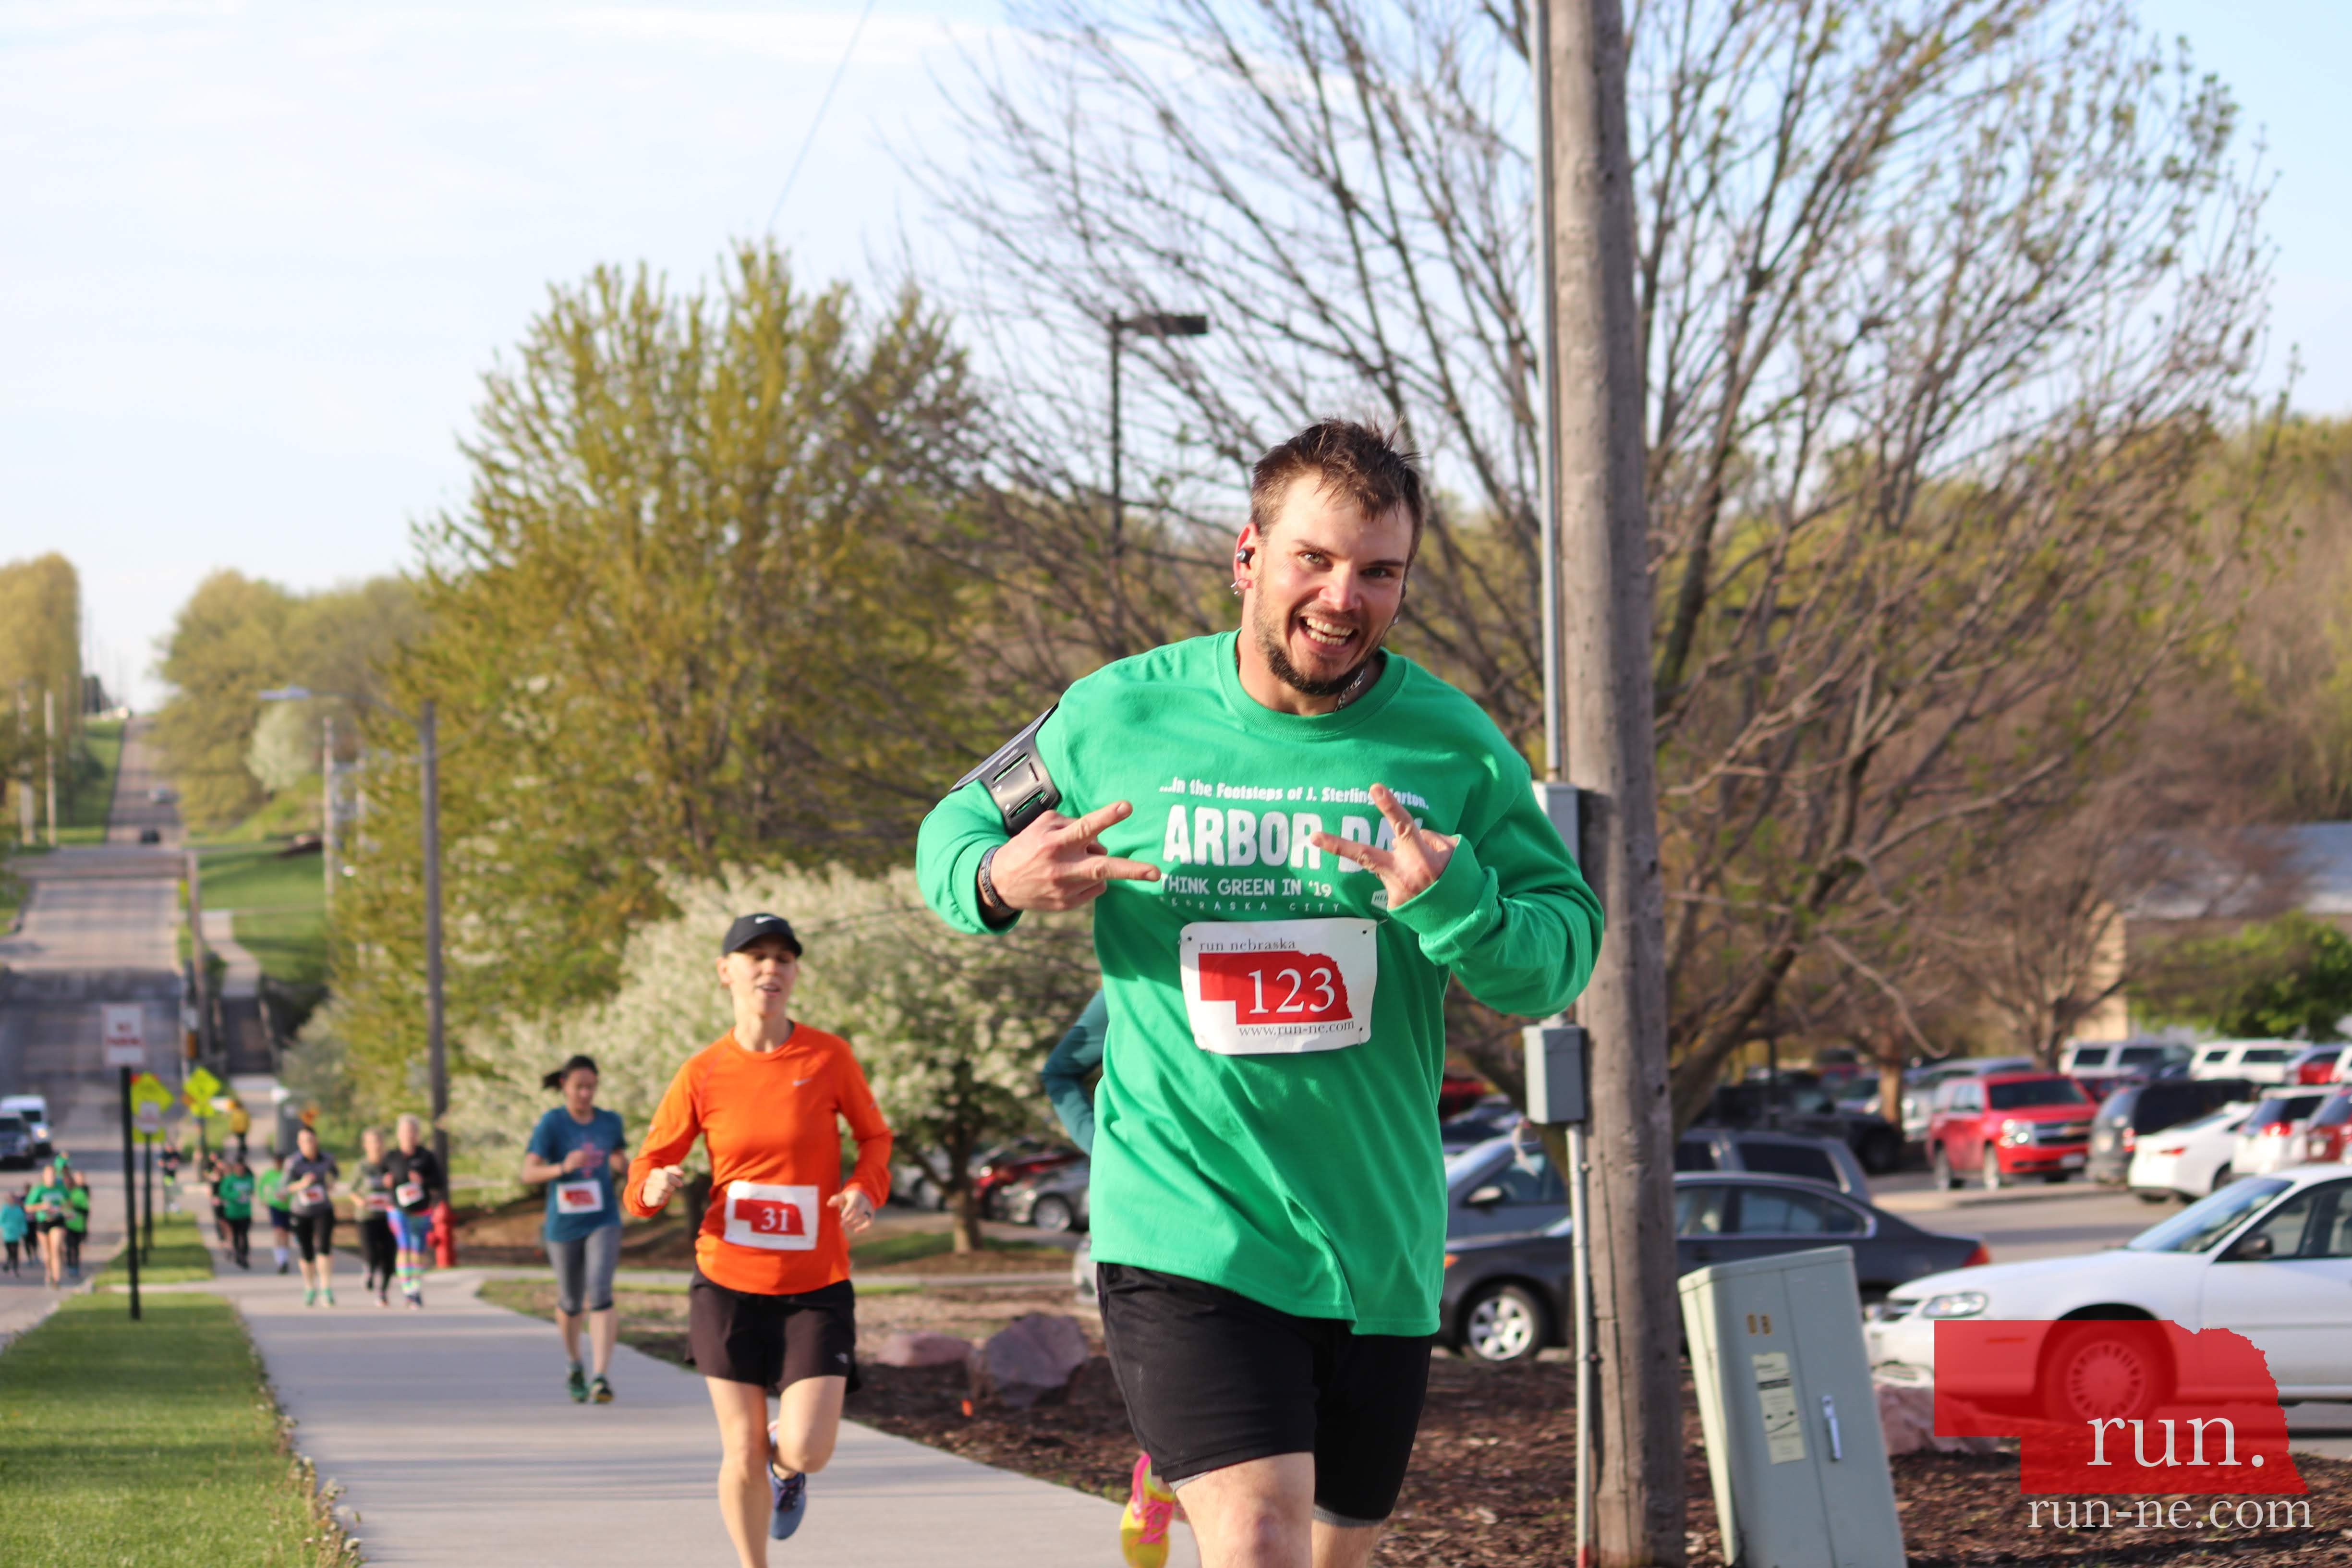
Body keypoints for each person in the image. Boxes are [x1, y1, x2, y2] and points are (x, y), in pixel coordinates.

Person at [917, 420, 1603, 1568]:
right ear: (1247, 556)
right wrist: (995, 874)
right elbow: (956, 820)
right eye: (1314, 560)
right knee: (1259, 1542)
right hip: (1184, 1222)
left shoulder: (1453, 747)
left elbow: (1563, 947)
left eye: (1378, 572)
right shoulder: (1115, 714)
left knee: (1327, 1554)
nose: (1343, 598)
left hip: (1372, 1242)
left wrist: (1459, 905)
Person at [624, 913, 892, 1565]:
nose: (770, 967)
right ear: (726, 972)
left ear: (794, 973)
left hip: (815, 1285)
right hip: (726, 1281)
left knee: (808, 1449)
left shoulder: (828, 1056)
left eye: (783, 958)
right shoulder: (702, 1073)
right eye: (755, 956)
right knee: (738, 1448)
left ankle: (786, 1464)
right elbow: (644, 1168)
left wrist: (864, 1188)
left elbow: (875, 1138)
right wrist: (651, 1190)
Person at [1041, 992, 1187, 1568]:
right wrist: (1113, 1153)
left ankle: (1162, 1469)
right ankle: (1161, 1476)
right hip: (1163, 1228)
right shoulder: (1142, 961)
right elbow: (1062, 1070)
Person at [522, 1054, 629, 1403]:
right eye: (579, 1087)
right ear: (565, 1087)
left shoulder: (610, 1121)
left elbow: (616, 1156)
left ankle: (601, 1375)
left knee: (600, 1292)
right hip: (564, 1222)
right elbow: (528, 1173)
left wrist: (630, 1169)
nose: (585, 1093)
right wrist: (562, 1167)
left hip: (603, 1218)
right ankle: (574, 1363)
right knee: (570, 1300)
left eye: (591, 1087)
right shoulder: (552, 1123)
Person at [382, 1114, 444, 1309]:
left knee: (418, 1248)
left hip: (421, 1209)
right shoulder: (392, 1157)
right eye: (405, 1132)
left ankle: (416, 1289)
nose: (409, 1136)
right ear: (399, 1134)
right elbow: (380, 1177)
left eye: (413, 1132)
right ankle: (406, 1288)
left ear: (417, 1134)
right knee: (404, 1246)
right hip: (398, 1208)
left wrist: (422, 1181)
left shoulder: (427, 1157)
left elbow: (440, 1182)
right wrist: (387, 1181)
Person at [284, 1126, 340, 1307]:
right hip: (301, 1212)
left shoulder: (327, 1159)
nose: (309, 1144)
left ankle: (326, 1287)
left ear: (316, 1141)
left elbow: (336, 1174)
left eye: (311, 1140)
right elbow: (285, 1187)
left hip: (323, 1209)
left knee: (324, 1248)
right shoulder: (293, 1162)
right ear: (299, 1143)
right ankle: (310, 1287)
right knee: (306, 1252)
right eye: (304, 1141)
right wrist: (302, 1184)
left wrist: (331, 1183)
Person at [353, 1128, 398, 1306]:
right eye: (372, 1142)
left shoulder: (391, 1165)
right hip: (367, 1216)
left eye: (379, 1141)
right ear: (366, 1146)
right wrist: (359, 1201)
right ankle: (369, 1270)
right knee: (371, 1252)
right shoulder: (362, 1167)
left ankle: (383, 1292)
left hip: (389, 1215)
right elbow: (352, 1190)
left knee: (389, 1256)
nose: (376, 1146)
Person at [25, 1161, 69, 1289]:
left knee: (56, 1249)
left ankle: (57, 1279)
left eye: (53, 1175)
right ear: (44, 1176)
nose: (51, 1178)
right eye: (48, 1175)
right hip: (43, 1222)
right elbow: (28, 1208)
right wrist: (43, 1206)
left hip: (57, 1220)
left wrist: (62, 1208)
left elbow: (69, 1203)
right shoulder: (39, 1189)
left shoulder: (61, 1188)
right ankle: (49, 1272)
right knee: (48, 1253)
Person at [216, 1150, 256, 1270]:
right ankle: (238, 1254)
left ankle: (244, 1255)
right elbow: (223, 1193)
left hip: (245, 1212)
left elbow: (252, 1190)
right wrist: (236, 1195)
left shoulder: (249, 1178)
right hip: (232, 1212)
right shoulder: (229, 1179)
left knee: (244, 1234)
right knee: (234, 1234)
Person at [258, 1152, 294, 1274]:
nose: (279, 1164)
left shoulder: (288, 1174)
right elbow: (261, 1187)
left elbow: (295, 1187)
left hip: (288, 1206)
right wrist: (263, 1198)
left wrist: (289, 1196)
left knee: (286, 1234)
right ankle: (280, 1260)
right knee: (279, 1232)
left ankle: (285, 1258)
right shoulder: (269, 1174)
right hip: (275, 1205)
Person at [62, 1170, 90, 1279]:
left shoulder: (79, 1193)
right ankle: (70, 1265)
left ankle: (76, 1265)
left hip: (78, 1225)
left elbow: (85, 1210)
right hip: (66, 1225)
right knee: (69, 1247)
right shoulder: (63, 1194)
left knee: (76, 1247)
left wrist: (74, 1207)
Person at [0, 1189, 26, 1276]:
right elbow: (1, 1221)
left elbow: (22, 1220)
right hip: (8, 1234)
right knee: (9, 1252)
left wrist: (24, 1230)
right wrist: (7, 1227)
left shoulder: (18, 1209)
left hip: (16, 1234)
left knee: (15, 1252)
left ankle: (15, 1268)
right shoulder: (5, 1209)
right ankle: (8, 1265)